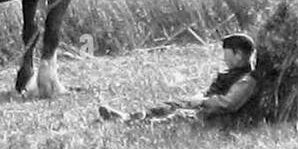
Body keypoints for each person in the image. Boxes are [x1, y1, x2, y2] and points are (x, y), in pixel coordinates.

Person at [99, 33, 259, 125]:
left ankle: (133, 125)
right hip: (208, 107)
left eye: (227, 54)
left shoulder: (247, 80)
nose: (224, 59)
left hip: (218, 117)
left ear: (238, 54)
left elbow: (228, 104)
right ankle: (128, 117)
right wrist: (197, 98)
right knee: (172, 105)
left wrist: (202, 102)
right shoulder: (233, 73)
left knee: (180, 115)